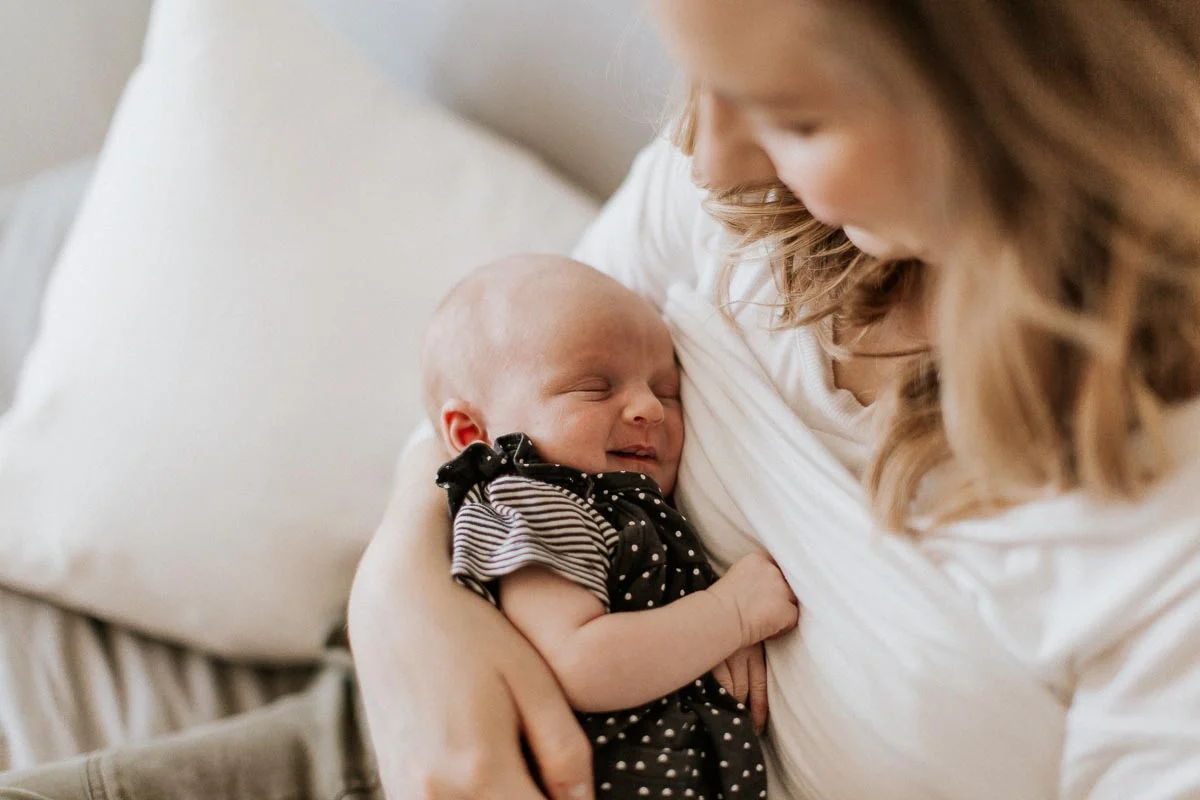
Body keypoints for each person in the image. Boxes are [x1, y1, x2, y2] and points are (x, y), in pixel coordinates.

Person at [2, 1, 1198, 798]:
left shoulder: (1164, 539)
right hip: (373, 730)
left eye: (796, 115)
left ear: (1033, 108)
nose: (712, 158)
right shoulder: (742, 192)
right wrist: (397, 603)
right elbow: (482, 419)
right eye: (706, 79)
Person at [424, 255, 798, 798]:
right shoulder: (538, 498)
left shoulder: (623, 506)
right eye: (595, 388)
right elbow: (578, 660)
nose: (650, 408)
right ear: (473, 432)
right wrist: (730, 614)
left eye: (665, 389)